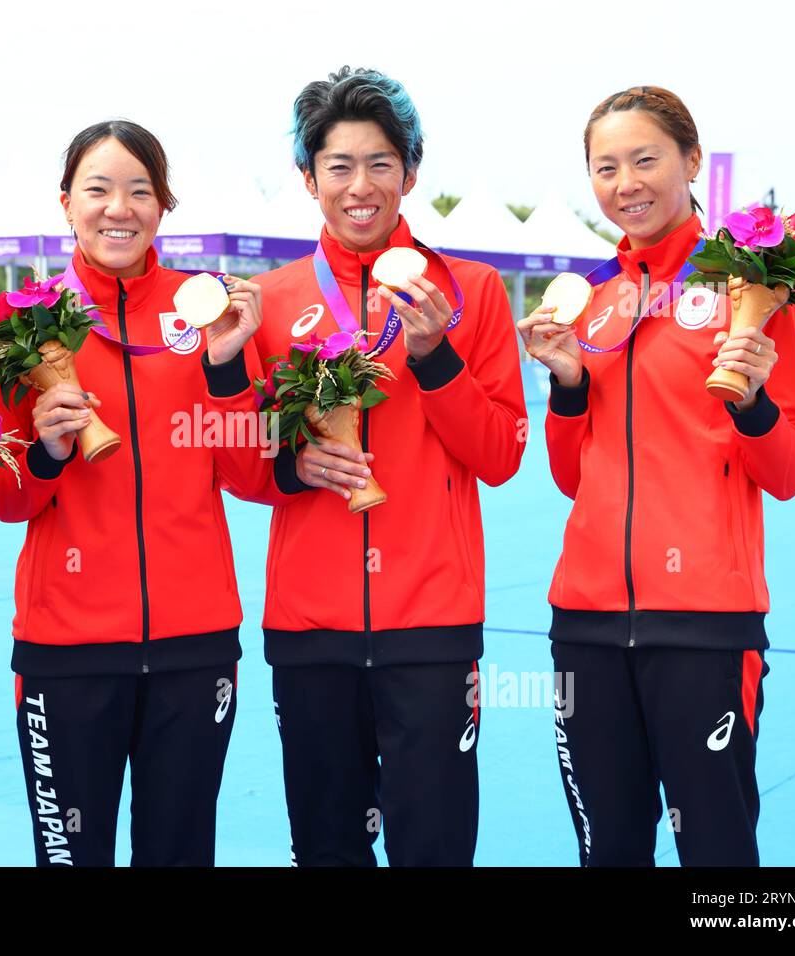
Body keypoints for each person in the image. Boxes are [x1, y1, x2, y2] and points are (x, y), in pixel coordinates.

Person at [214, 67, 527, 865]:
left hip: (431, 625)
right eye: (340, 166)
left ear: (411, 173)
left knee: (436, 847)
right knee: (325, 848)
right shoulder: (271, 300)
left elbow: (499, 456)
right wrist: (295, 468)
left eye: (381, 163)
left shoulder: (474, 291)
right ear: (308, 178)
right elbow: (239, 471)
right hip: (309, 627)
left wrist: (435, 357)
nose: (361, 186)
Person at [516, 86, 795, 866]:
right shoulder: (590, 300)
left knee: (717, 855)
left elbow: (790, 471)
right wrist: (567, 385)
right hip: (584, 623)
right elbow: (567, 478)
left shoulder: (754, 291)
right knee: (608, 850)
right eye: (605, 167)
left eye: (645, 159)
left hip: (706, 625)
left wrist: (751, 406)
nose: (626, 183)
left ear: (690, 160)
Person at [0, 120, 268, 866]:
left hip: (194, 645)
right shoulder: (24, 325)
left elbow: (252, 474)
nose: (120, 208)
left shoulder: (208, 309)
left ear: (164, 205)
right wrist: (45, 450)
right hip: (66, 649)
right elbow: (4, 499)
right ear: (66, 203)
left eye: (140, 190)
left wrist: (228, 369)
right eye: (98, 189)